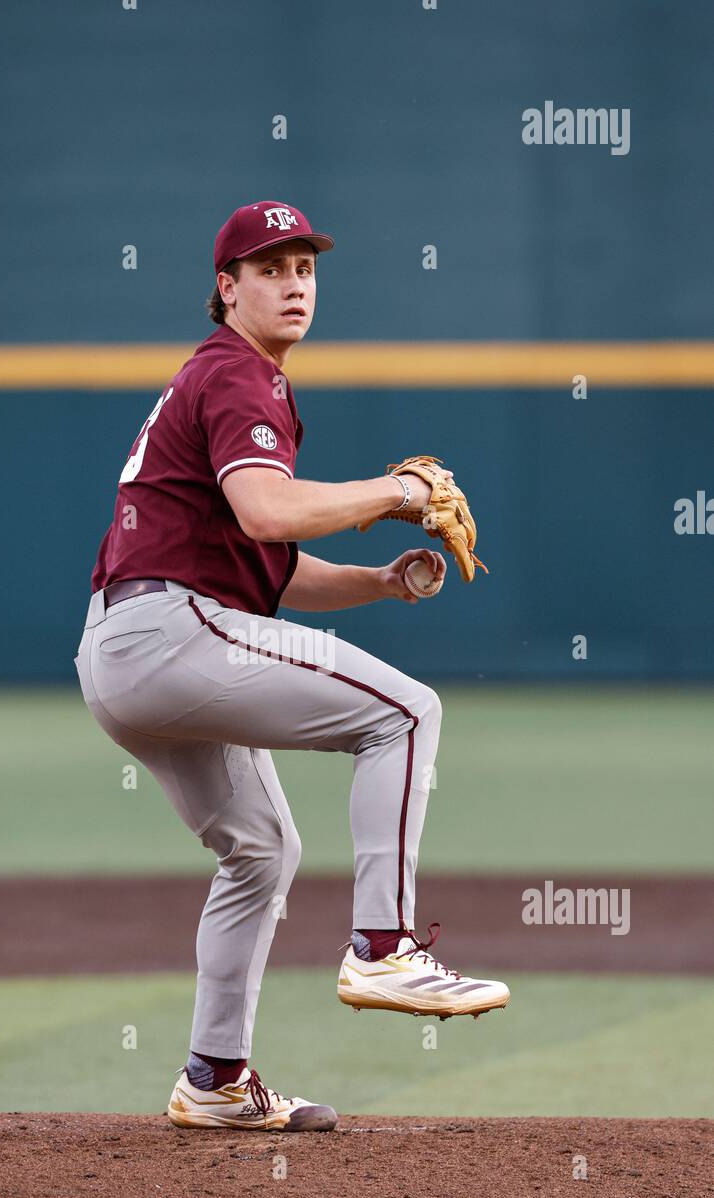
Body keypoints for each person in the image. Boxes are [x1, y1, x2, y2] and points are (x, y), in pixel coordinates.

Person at [75, 200, 509, 1133]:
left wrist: (380, 581)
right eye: (270, 268)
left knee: (262, 852)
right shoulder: (238, 375)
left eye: (305, 266)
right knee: (405, 711)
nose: (295, 282)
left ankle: (215, 1079)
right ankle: (385, 946)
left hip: (127, 651)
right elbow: (271, 512)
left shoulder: (222, 382)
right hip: (172, 632)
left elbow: (268, 561)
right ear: (226, 289)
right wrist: (397, 490)